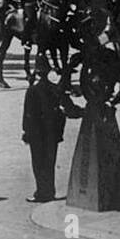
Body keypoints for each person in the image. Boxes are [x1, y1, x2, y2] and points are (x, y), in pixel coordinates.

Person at [21, 56, 81, 203]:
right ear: (48, 72)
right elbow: (70, 108)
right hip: (52, 133)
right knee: (50, 163)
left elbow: (28, 115)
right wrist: (84, 112)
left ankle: (42, 193)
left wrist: (26, 133)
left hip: (36, 134)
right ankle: (49, 191)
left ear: (37, 72)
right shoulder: (55, 89)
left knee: (38, 163)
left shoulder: (32, 90)